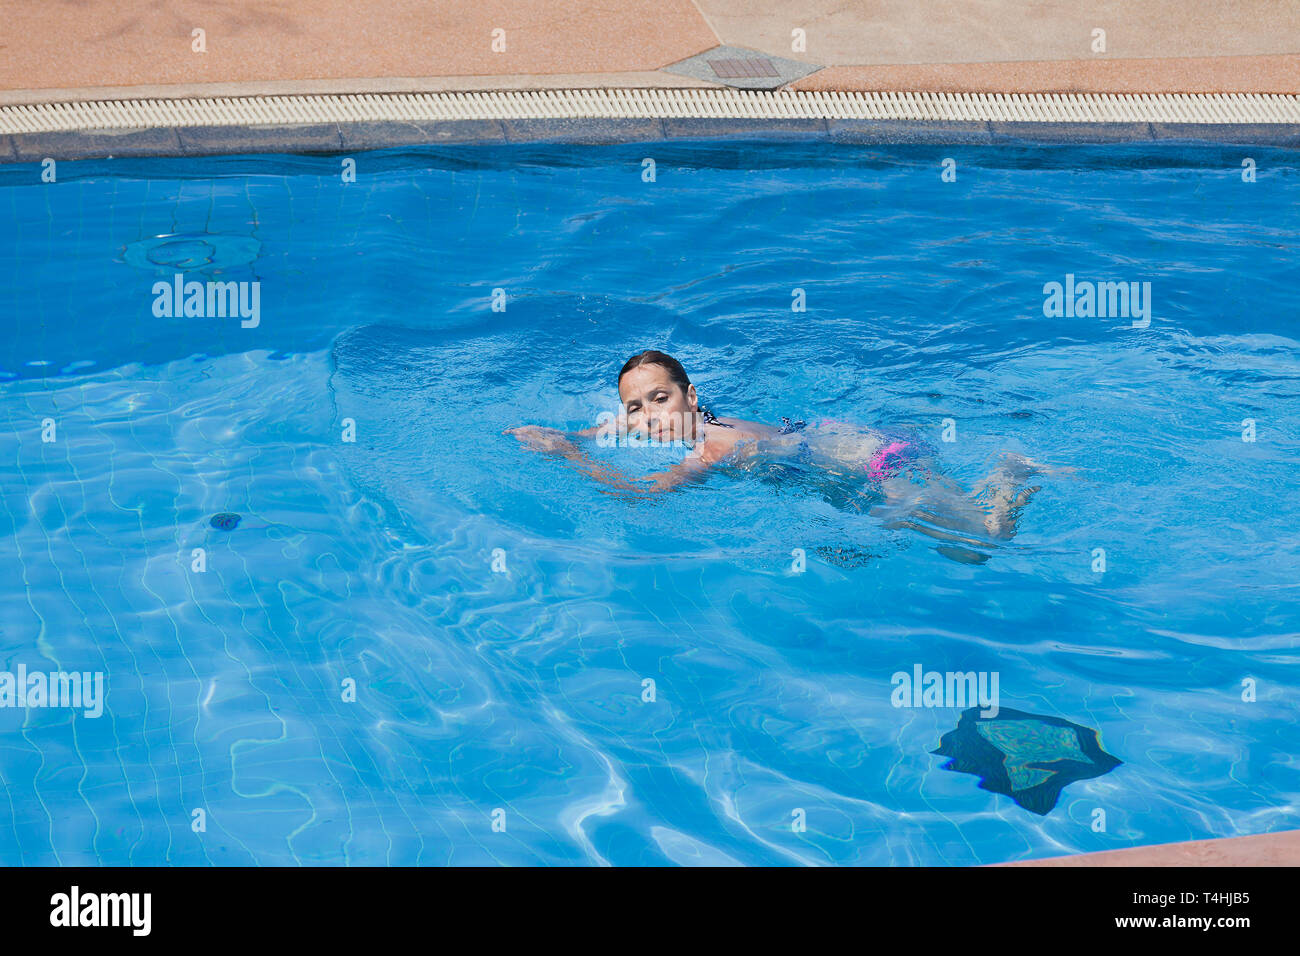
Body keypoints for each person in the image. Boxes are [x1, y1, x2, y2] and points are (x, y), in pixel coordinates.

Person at [507, 349, 1059, 554]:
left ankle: (1012, 468)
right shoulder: (678, 424)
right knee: (954, 553)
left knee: (986, 541)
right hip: (842, 454)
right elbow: (613, 429)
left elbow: (644, 496)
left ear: (689, 396)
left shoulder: (714, 446)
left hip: (880, 461)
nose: (648, 416)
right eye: (636, 407)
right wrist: (575, 438)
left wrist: (569, 460)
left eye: (660, 398)